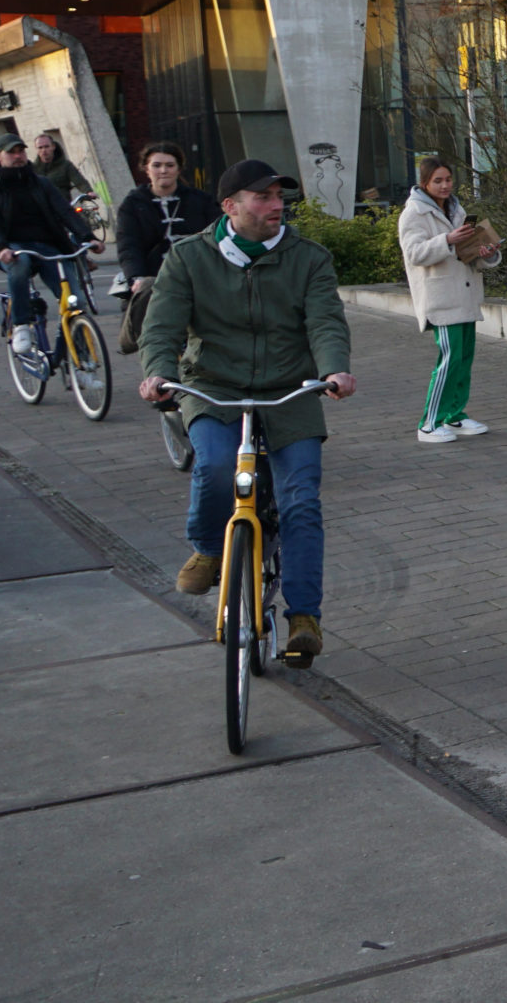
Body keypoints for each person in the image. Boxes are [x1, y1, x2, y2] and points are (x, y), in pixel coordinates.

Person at [139, 158, 356, 669]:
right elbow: (163, 325)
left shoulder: (309, 258)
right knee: (214, 466)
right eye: (263, 197)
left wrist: (335, 370)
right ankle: (210, 548)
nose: (277, 206)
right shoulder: (189, 257)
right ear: (231, 207)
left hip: (291, 390)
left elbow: (326, 321)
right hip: (213, 385)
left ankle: (304, 617)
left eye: (280, 197)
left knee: (301, 500)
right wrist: (156, 372)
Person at [399, 156, 499, 442]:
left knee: (464, 359)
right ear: (425, 183)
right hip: (441, 297)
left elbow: (464, 251)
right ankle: (429, 423)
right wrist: (447, 240)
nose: (445, 186)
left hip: (465, 294)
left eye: (448, 179)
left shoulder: (457, 208)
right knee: (449, 359)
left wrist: (486, 252)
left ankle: (454, 416)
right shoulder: (414, 213)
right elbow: (414, 253)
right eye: (438, 181)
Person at [0, 134, 101, 357]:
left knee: (75, 303)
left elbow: (64, 212)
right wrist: (2, 247)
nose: (18, 156)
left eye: (21, 152)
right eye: (11, 152)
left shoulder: (41, 184)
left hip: (47, 246)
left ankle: (83, 364)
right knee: (20, 263)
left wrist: (88, 237)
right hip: (13, 247)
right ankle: (21, 326)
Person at [113, 140, 221, 354]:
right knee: (146, 298)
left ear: (179, 168)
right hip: (155, 274)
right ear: (146, 168)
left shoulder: (200, 200)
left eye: (170, 165)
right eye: (157, 165)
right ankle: (145, 349)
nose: (163, 170)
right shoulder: (133, 204)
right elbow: (129, 244)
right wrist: (136, 277)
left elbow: (219, 234)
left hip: (197, 271)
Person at [32, 129, 92, 206]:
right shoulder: (32, 169)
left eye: (46, 146)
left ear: (53, 146)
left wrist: (88, 192)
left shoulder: (65, 165)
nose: (43, 150)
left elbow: (79, 181)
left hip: (64, 205)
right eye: (40, 147)